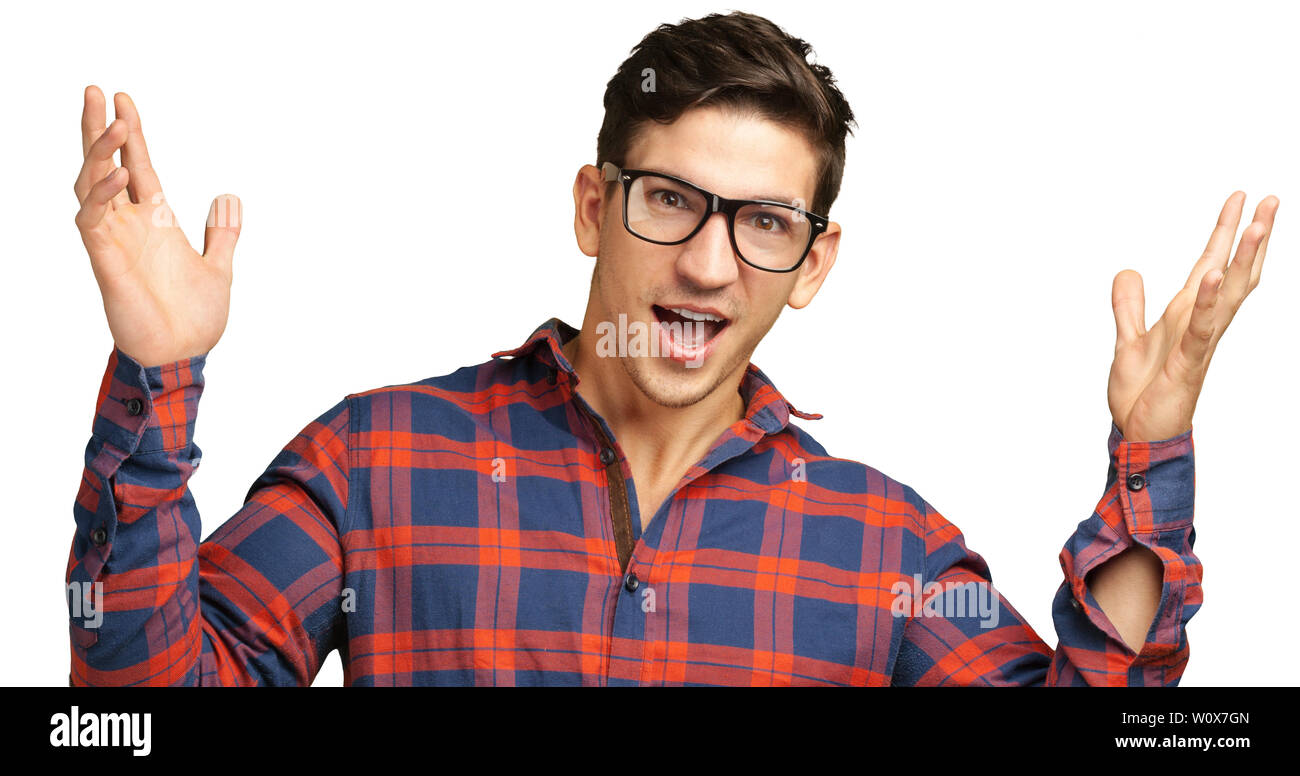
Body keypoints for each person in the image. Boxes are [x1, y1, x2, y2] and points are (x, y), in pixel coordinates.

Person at [67, 11, 1277, 686]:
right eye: (669, 201)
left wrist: (1152, 445)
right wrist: (156, 377)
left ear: (815, 264)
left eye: (764, 224)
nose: (707, 263)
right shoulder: (377, 457)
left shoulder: (888, 548)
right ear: (593, 206)